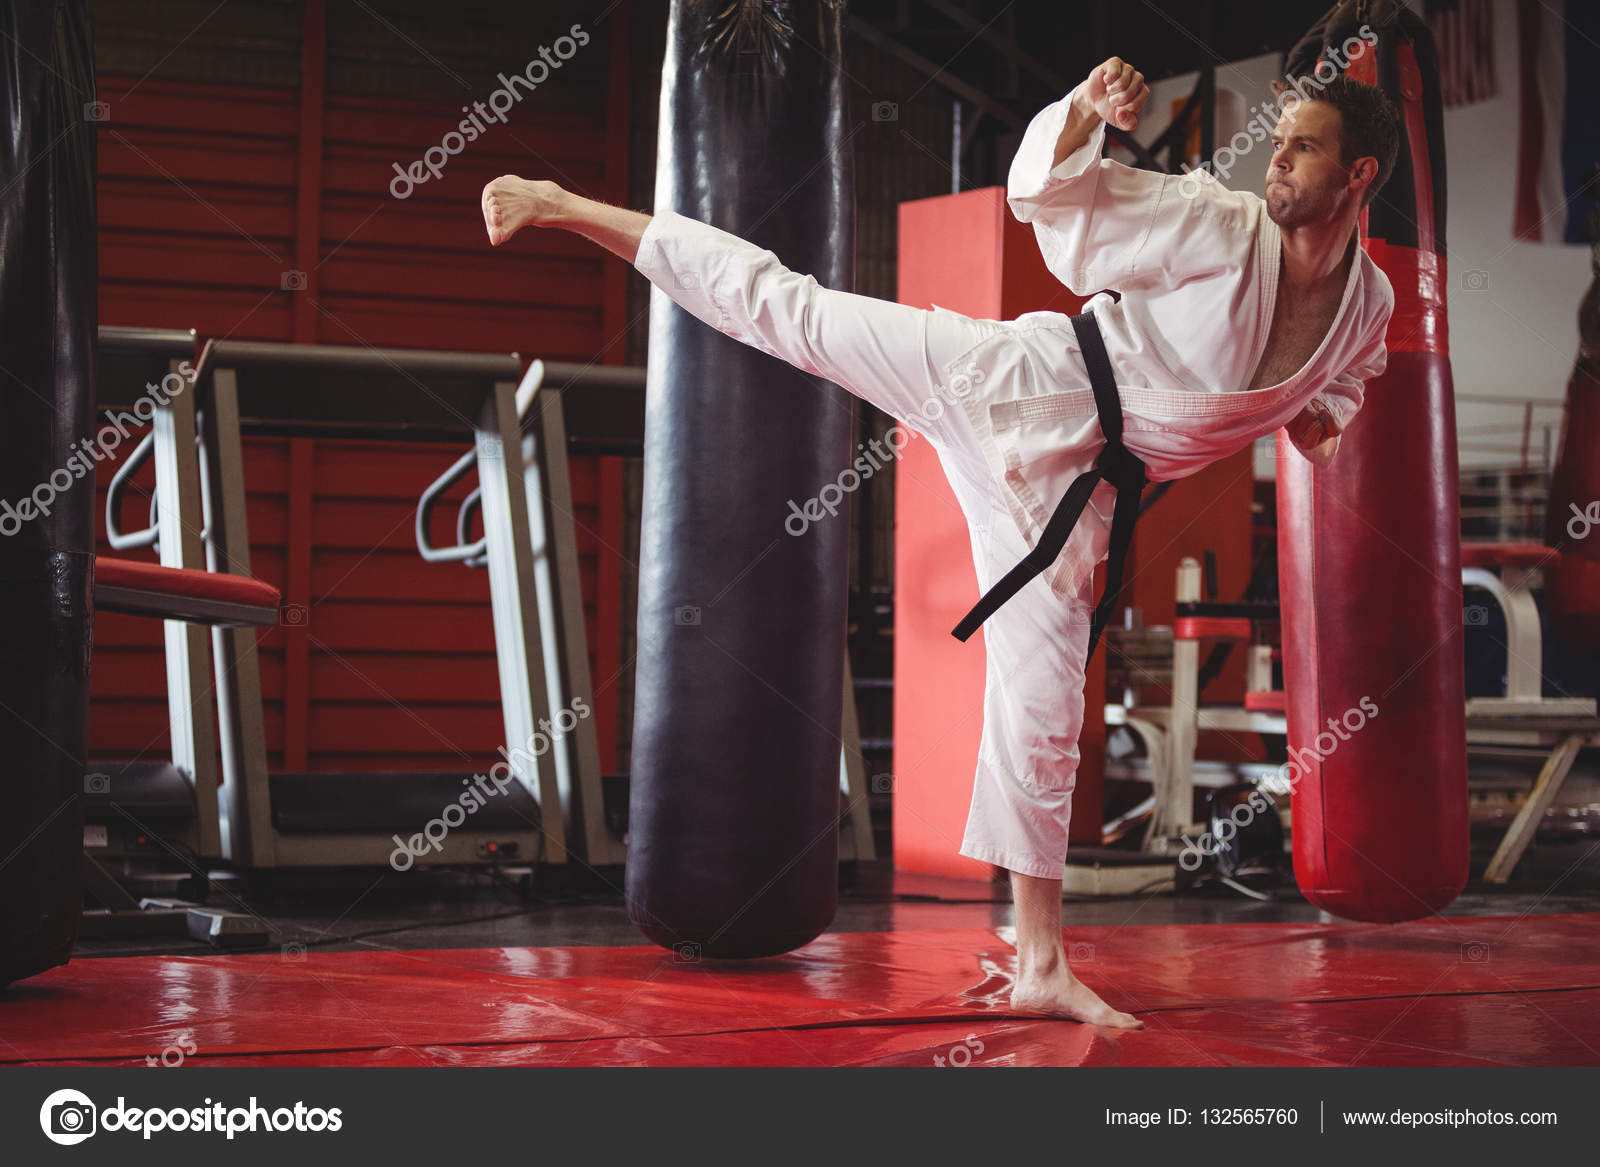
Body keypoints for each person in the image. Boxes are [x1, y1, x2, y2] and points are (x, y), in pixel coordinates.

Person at [480, 56, 1399, 1029]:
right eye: (1281, 139)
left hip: (1071, 501)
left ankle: (1039, 960)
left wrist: (1317, 420)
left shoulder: (1366, 306)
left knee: (1042, 710)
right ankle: (565, 203)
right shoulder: (1222, 226)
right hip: (1012, 385)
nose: (1279, 160)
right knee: (792, 311)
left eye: (1304, 146)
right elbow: (1059, 200)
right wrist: (1083, 110)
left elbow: (1342, 383)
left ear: (1358, 177)